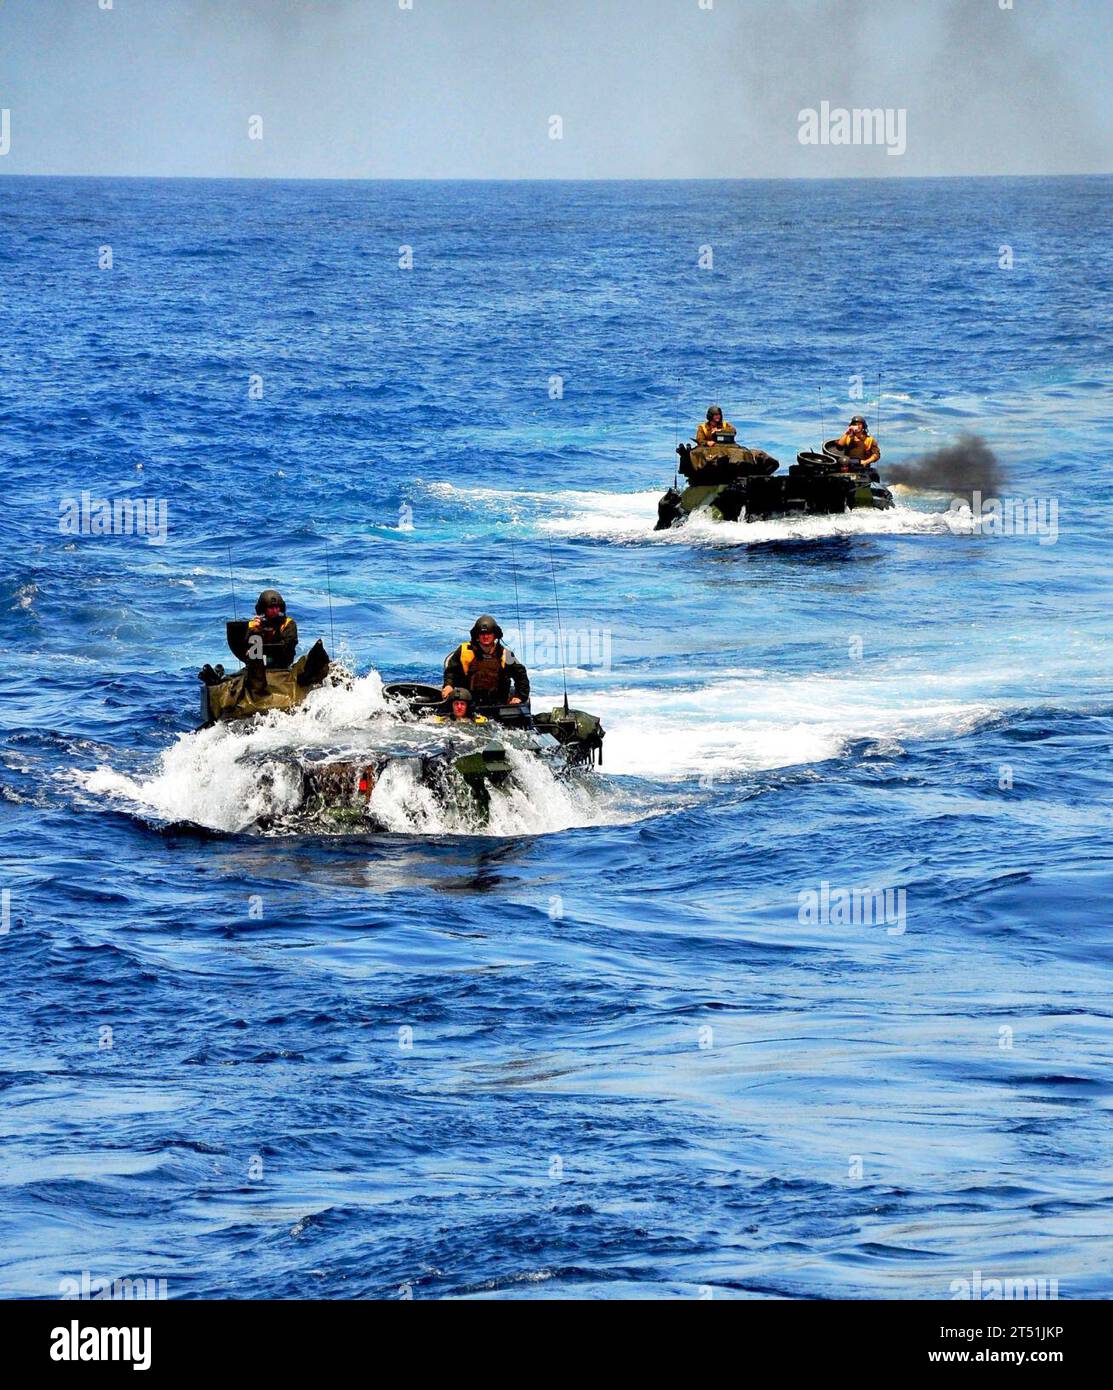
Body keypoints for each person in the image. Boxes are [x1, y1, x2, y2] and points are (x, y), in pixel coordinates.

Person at [442, 615, 530, 706]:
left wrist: (520, 696)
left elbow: (521, 674)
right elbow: (451, 672)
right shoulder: (465, 651)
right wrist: (448, 685)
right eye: (482, 634)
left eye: (489, 633)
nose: (486, 636)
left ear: (495, 635)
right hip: (469, 703)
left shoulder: (505, 654)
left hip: (497, 704)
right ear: (477, 635)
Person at [244, 589, 299, 669]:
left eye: (277, 607)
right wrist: (255, 632)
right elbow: (245, 648)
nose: (275, 611)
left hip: (281, 665)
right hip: (257, 667)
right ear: (263, 609)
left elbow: (287, 647)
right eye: (271, 608)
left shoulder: (288, 624)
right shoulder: (255, 624)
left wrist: (272, 634)